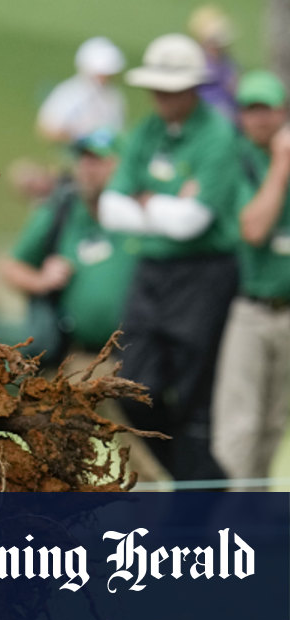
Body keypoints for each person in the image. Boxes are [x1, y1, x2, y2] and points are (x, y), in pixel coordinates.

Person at [98, 34, 242, 483]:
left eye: (171, 87)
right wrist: (165, 204)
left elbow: (192, 223)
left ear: (192, 88)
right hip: (153, 273)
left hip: (205, 274)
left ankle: (199, 496)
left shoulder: (217, 134)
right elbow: (110, 206)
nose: (161, 95)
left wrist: (144, 201)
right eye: (156, 87)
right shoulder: (146, 132)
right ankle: (202, 479)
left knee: (194, 392)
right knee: (132, 385)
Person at [211, 70, 290, 486]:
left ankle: (258, 518)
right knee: (240, 425)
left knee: (274, 424)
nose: (258, 119)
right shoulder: (239, 160)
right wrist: (281, 165)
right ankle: (232, 518)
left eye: (267, 109)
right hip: (253, 309)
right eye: (250, 109)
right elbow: (254, 229)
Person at [0, 128, 136, 363]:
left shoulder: (142, 213)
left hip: (136, 353)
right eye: (82, 158)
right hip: (75, 355)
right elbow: (10, 266)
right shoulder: (61, 211)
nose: (86, 168)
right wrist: (40, 280)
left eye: (97, 160)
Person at [36, 36, 126, 145]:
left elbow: (117, 131)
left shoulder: (114, 97)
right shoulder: (69, 93)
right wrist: (80, 138)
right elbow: (47, 128)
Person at [189, 4, 239, 123]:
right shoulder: (197, 64)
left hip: (231, 117)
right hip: (208, 119)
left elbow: (236, 89)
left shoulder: (228, 62)